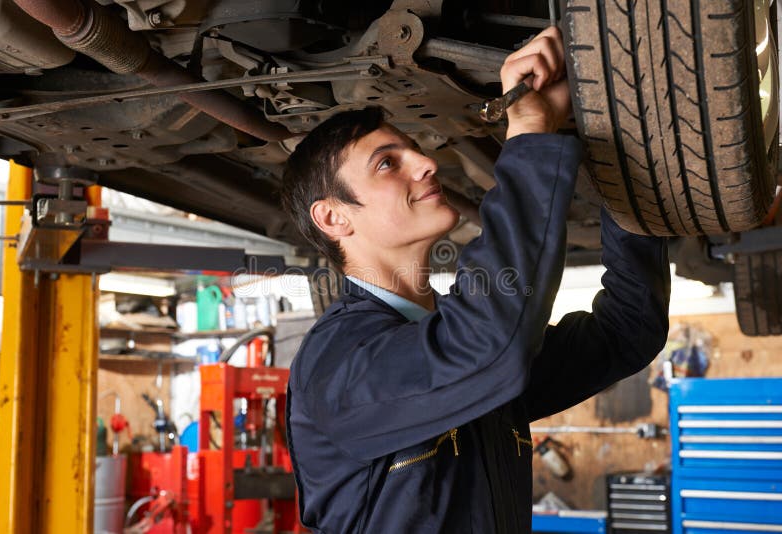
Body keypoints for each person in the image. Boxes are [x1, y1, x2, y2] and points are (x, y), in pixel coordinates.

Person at [280, 26, 670, 533]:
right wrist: (527, 134)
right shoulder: (336, 365)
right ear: (333, 218)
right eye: (387, 164)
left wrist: (617, 173)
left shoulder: (464, 352)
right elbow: (485, 343)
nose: (424, 163)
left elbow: (627, 332)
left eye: (413, 148)